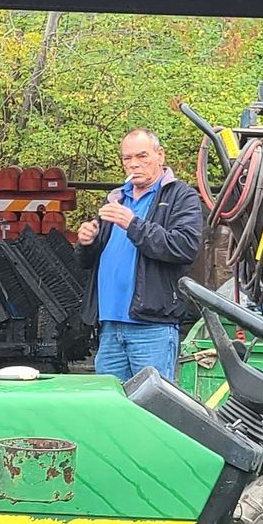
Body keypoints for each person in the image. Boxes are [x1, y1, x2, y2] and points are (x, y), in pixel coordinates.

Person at [76, 128, 204, 382]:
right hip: (110, 326)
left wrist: (133, 224)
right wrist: (86, 242)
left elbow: (184, 246)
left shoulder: (181, 196)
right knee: (111, 408)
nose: (133, 164)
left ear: (160, 155)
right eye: (127, 158)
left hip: (152, 327)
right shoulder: (116, 198)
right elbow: (87, 262)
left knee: (151, 407)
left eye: (142, 156)